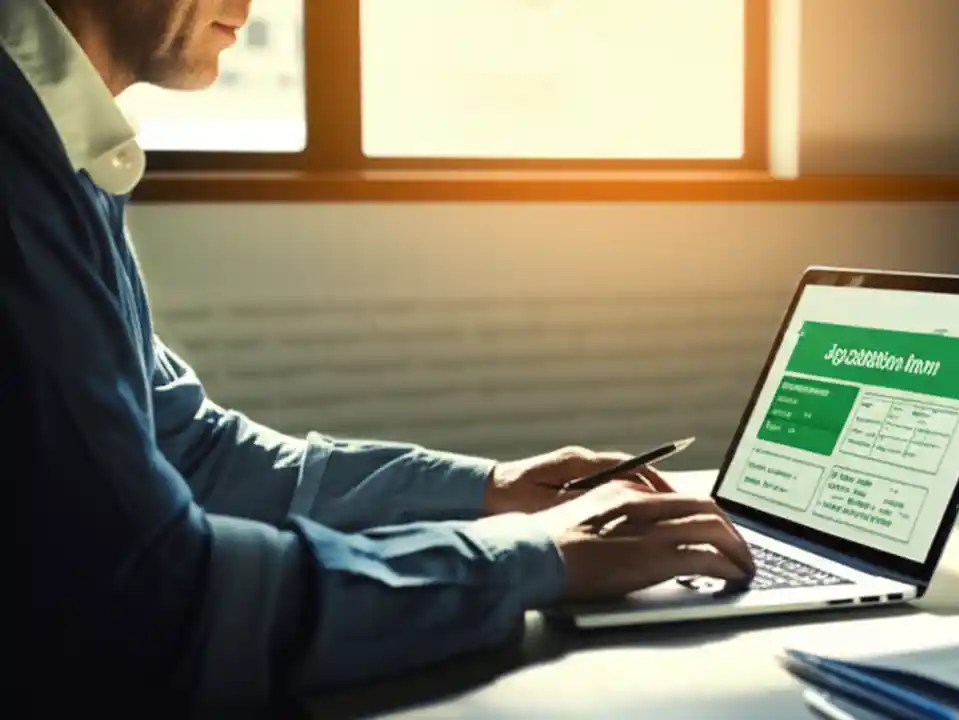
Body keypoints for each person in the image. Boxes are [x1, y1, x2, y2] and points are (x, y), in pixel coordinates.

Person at [0, 0, 755, 714]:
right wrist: (532, 559)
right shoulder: (14, 162)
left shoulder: (56, 135)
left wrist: (490, 492)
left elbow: (191, 449)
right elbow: (158, 598)